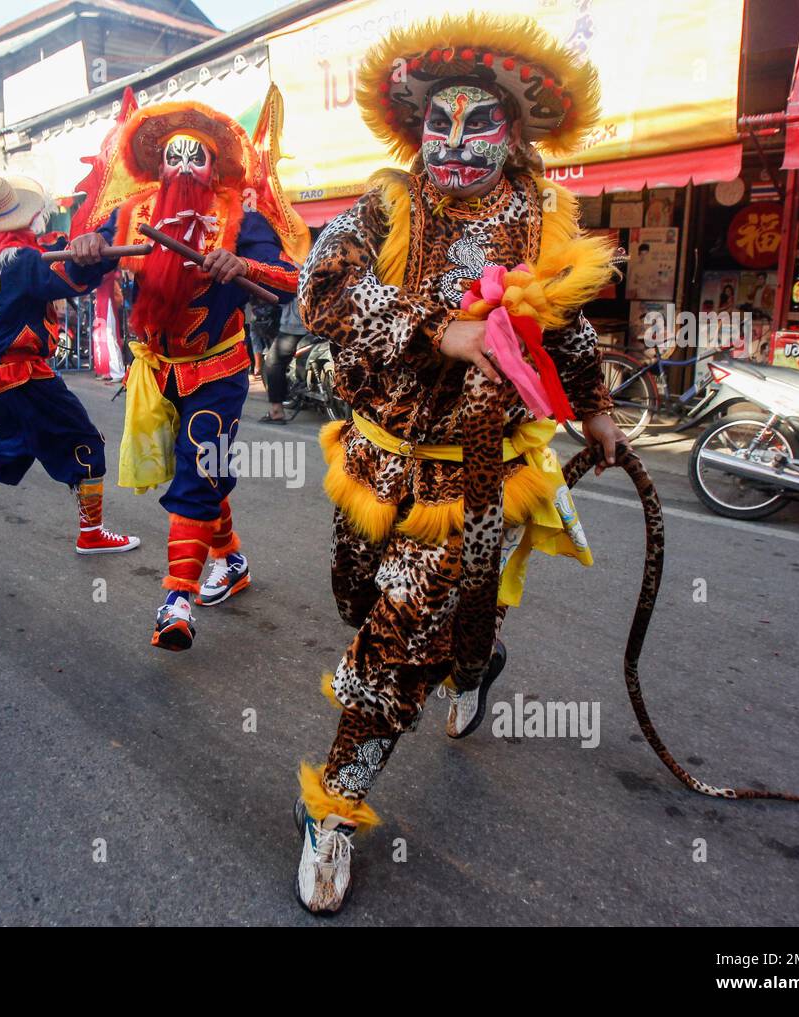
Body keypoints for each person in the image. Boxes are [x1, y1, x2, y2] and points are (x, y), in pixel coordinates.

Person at [292, 13, 626, 914]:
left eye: (478, 123)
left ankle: (333, 802)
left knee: (392, 647)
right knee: (357, 604)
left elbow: (568, 321)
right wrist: (436, 327)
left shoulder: (541, 216)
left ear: (515, 133)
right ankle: (477, 657)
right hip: (372, 459)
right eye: (439, 122)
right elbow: (318, 289)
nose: (455, 141)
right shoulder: (386, 204)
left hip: (473, 474)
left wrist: (594, 410)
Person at [71, 95, 308, 650]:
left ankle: (176, 600)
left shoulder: (237, 217)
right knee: (204, 472)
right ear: (157, 166)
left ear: (212, 165)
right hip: (154, 372)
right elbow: (86, 268)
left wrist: (243, 264)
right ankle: (233, 561)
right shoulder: (132, 215)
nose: (182, 168)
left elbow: (288, 279)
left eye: (193, 158)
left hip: (217, 372)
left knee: (200, 468)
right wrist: (83, 247)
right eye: (172, 158)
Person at [0, 175, 139, 557]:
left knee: (14, 450)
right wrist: (103, 242)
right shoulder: (19, 259)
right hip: (25, 377)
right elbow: (70, 281)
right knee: (86, 441)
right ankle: (91, 533)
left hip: (2, 378)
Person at [260, 295, 311, 423]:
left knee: (273, 363)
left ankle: (276, 410)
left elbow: (281, 294)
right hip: (326, 324)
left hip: (295, 326)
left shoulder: (295, 274)